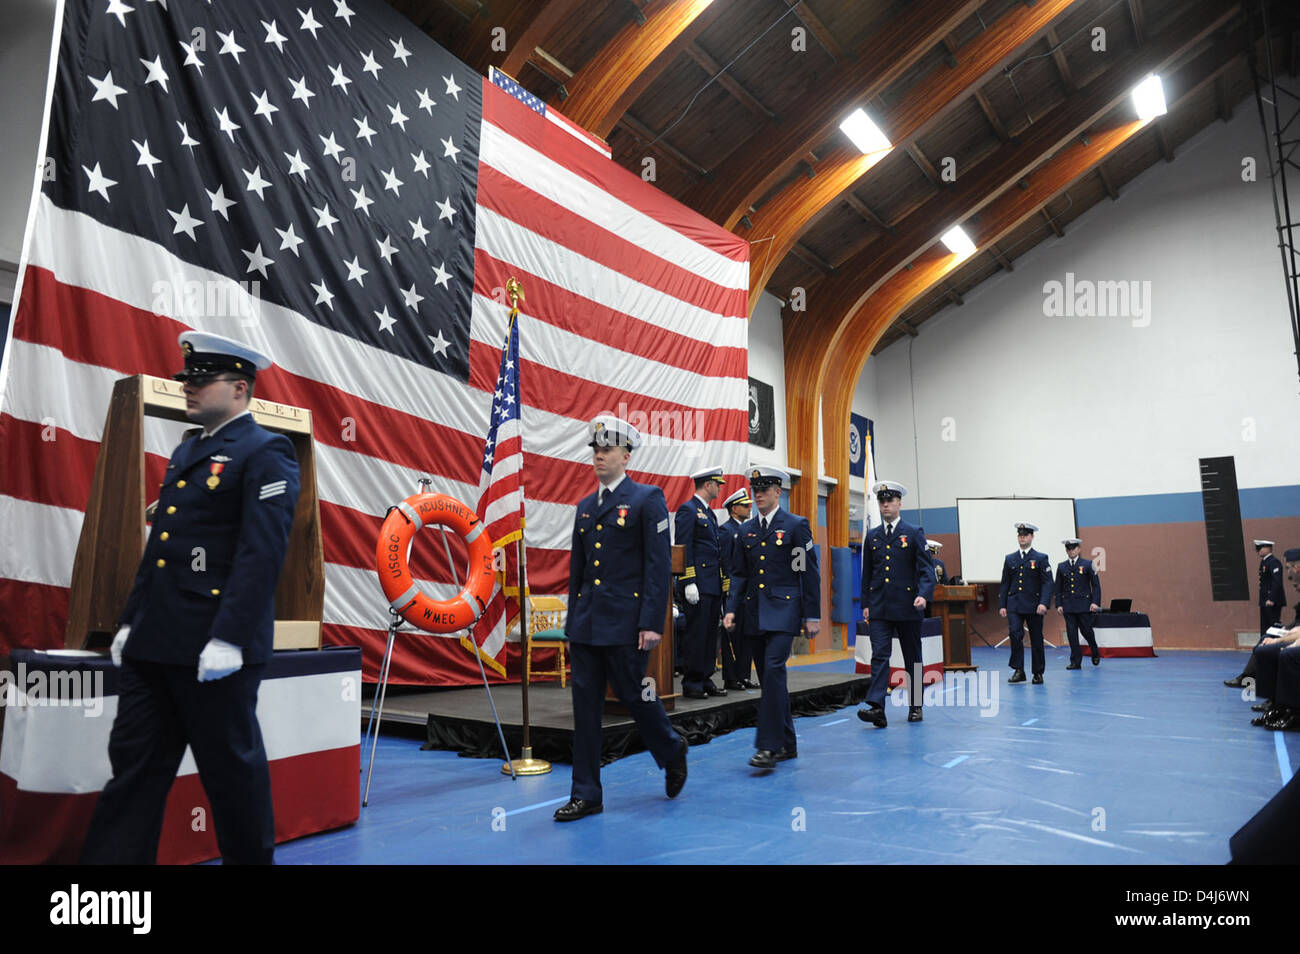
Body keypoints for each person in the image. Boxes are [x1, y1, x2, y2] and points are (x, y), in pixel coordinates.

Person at [81, 331, 300, 865]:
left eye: (203, 380)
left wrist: (228, 637)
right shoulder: (187, 450)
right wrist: (132, 620)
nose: (190, 388)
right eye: (188, 379)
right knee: (133, 773)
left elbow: (260, 554)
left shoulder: (266, 450)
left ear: (241, 388)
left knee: (231, 778)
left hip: (213, 653)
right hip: (154, 645)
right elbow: (162, 547)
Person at [555, 416, 687, 821]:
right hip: (588, 626)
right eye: (595, 449)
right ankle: (587, 793)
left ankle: (670, 748)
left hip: (626, 624)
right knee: (585, 709)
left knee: (636, 697)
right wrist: (573, 619)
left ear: (626, 456)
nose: (598, 455)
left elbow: (657, 566)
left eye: (607, 449)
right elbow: (578, 572)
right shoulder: (582, 508)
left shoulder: (647, 499)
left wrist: (652, 622)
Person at [723, 466, 819, 769]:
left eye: (765, 488)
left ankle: (767, 746)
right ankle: (788, 743)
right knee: (769, 680)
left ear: (779, 492)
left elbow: (807, 572)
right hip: (754, 614)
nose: (759, 494)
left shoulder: (795, 526)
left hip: (784, 612)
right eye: (756, 489)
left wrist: (812, 615)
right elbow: (739, 575)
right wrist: (731, 608)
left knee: (774, 670)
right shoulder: (745, 531)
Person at [857, 481, 934, 727]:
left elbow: (926, 570)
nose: (885, 504)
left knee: (913, 657)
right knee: (880, 654)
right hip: (880, 607)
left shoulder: (913, 533)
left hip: (908, 606)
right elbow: (867, 573)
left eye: (890, 500)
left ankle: (916, 704)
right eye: (882, 501)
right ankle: (877, 707)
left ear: (899, 504)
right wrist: (866, 603)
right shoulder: (873, 537)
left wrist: (924, 594)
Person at [675, 466, 727, 698]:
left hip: (712, 583)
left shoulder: (710, 514)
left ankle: (705, 676)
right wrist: (688, 581)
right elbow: (683, 547)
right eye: (718, 484)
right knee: (696, 633)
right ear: (708, 485)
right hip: (698, 584)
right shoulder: (688, 510)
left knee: (709, 633)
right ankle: (692, 681)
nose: (719, 488)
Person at [1226, 540, 1287, 688]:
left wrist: (1271, 598)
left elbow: (1277, 582)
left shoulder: (1274, 562)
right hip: (1265, 602)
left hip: (1271, 603)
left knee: (1271, 634)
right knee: (1265, 634)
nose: (1258, 551)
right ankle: (1258, 672)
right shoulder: (1265, 562)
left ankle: (1260, 674)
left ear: (1268, 548)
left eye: (1260, 548)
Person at [998, 522, 1054, 684]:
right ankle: (1018, 670)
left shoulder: (1041, 558)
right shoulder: (1010, 559)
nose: (1022, 538)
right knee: (1015, 635)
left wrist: (1044, 603)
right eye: (1020, 535)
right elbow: (1005, 583)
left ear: (1032, 537)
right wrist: (1002, 605)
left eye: (1025, 535)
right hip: (1014, 604)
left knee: (1036, 638)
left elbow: (1048, 583)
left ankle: (1037, 672)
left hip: (1034, 605)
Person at [718, 488, 757, 690]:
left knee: (746, 634)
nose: (749, 508)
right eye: (745, 505)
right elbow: (725, 561)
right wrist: (728, 587)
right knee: (732, 634)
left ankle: (743, 674)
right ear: (734, 509)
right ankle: (731, 677)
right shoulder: (726, 531)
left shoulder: (746, 530)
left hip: (747, 591)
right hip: (732, 590)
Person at [1056, 538, 1102, 669]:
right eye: (1069, 549)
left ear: (1079, 549)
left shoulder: (1088, 564)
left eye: (1074, 548)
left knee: (1087, 631)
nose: (1071, 551)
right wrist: (1059, 604)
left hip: (1084, 605)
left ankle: (1095, 651)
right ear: (1066, 550)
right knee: (1072, 634)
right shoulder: (1061, 566)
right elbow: (1058, 587)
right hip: (1068, 606)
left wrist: (1095, 602)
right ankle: (1075, 661)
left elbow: (1096, 586)